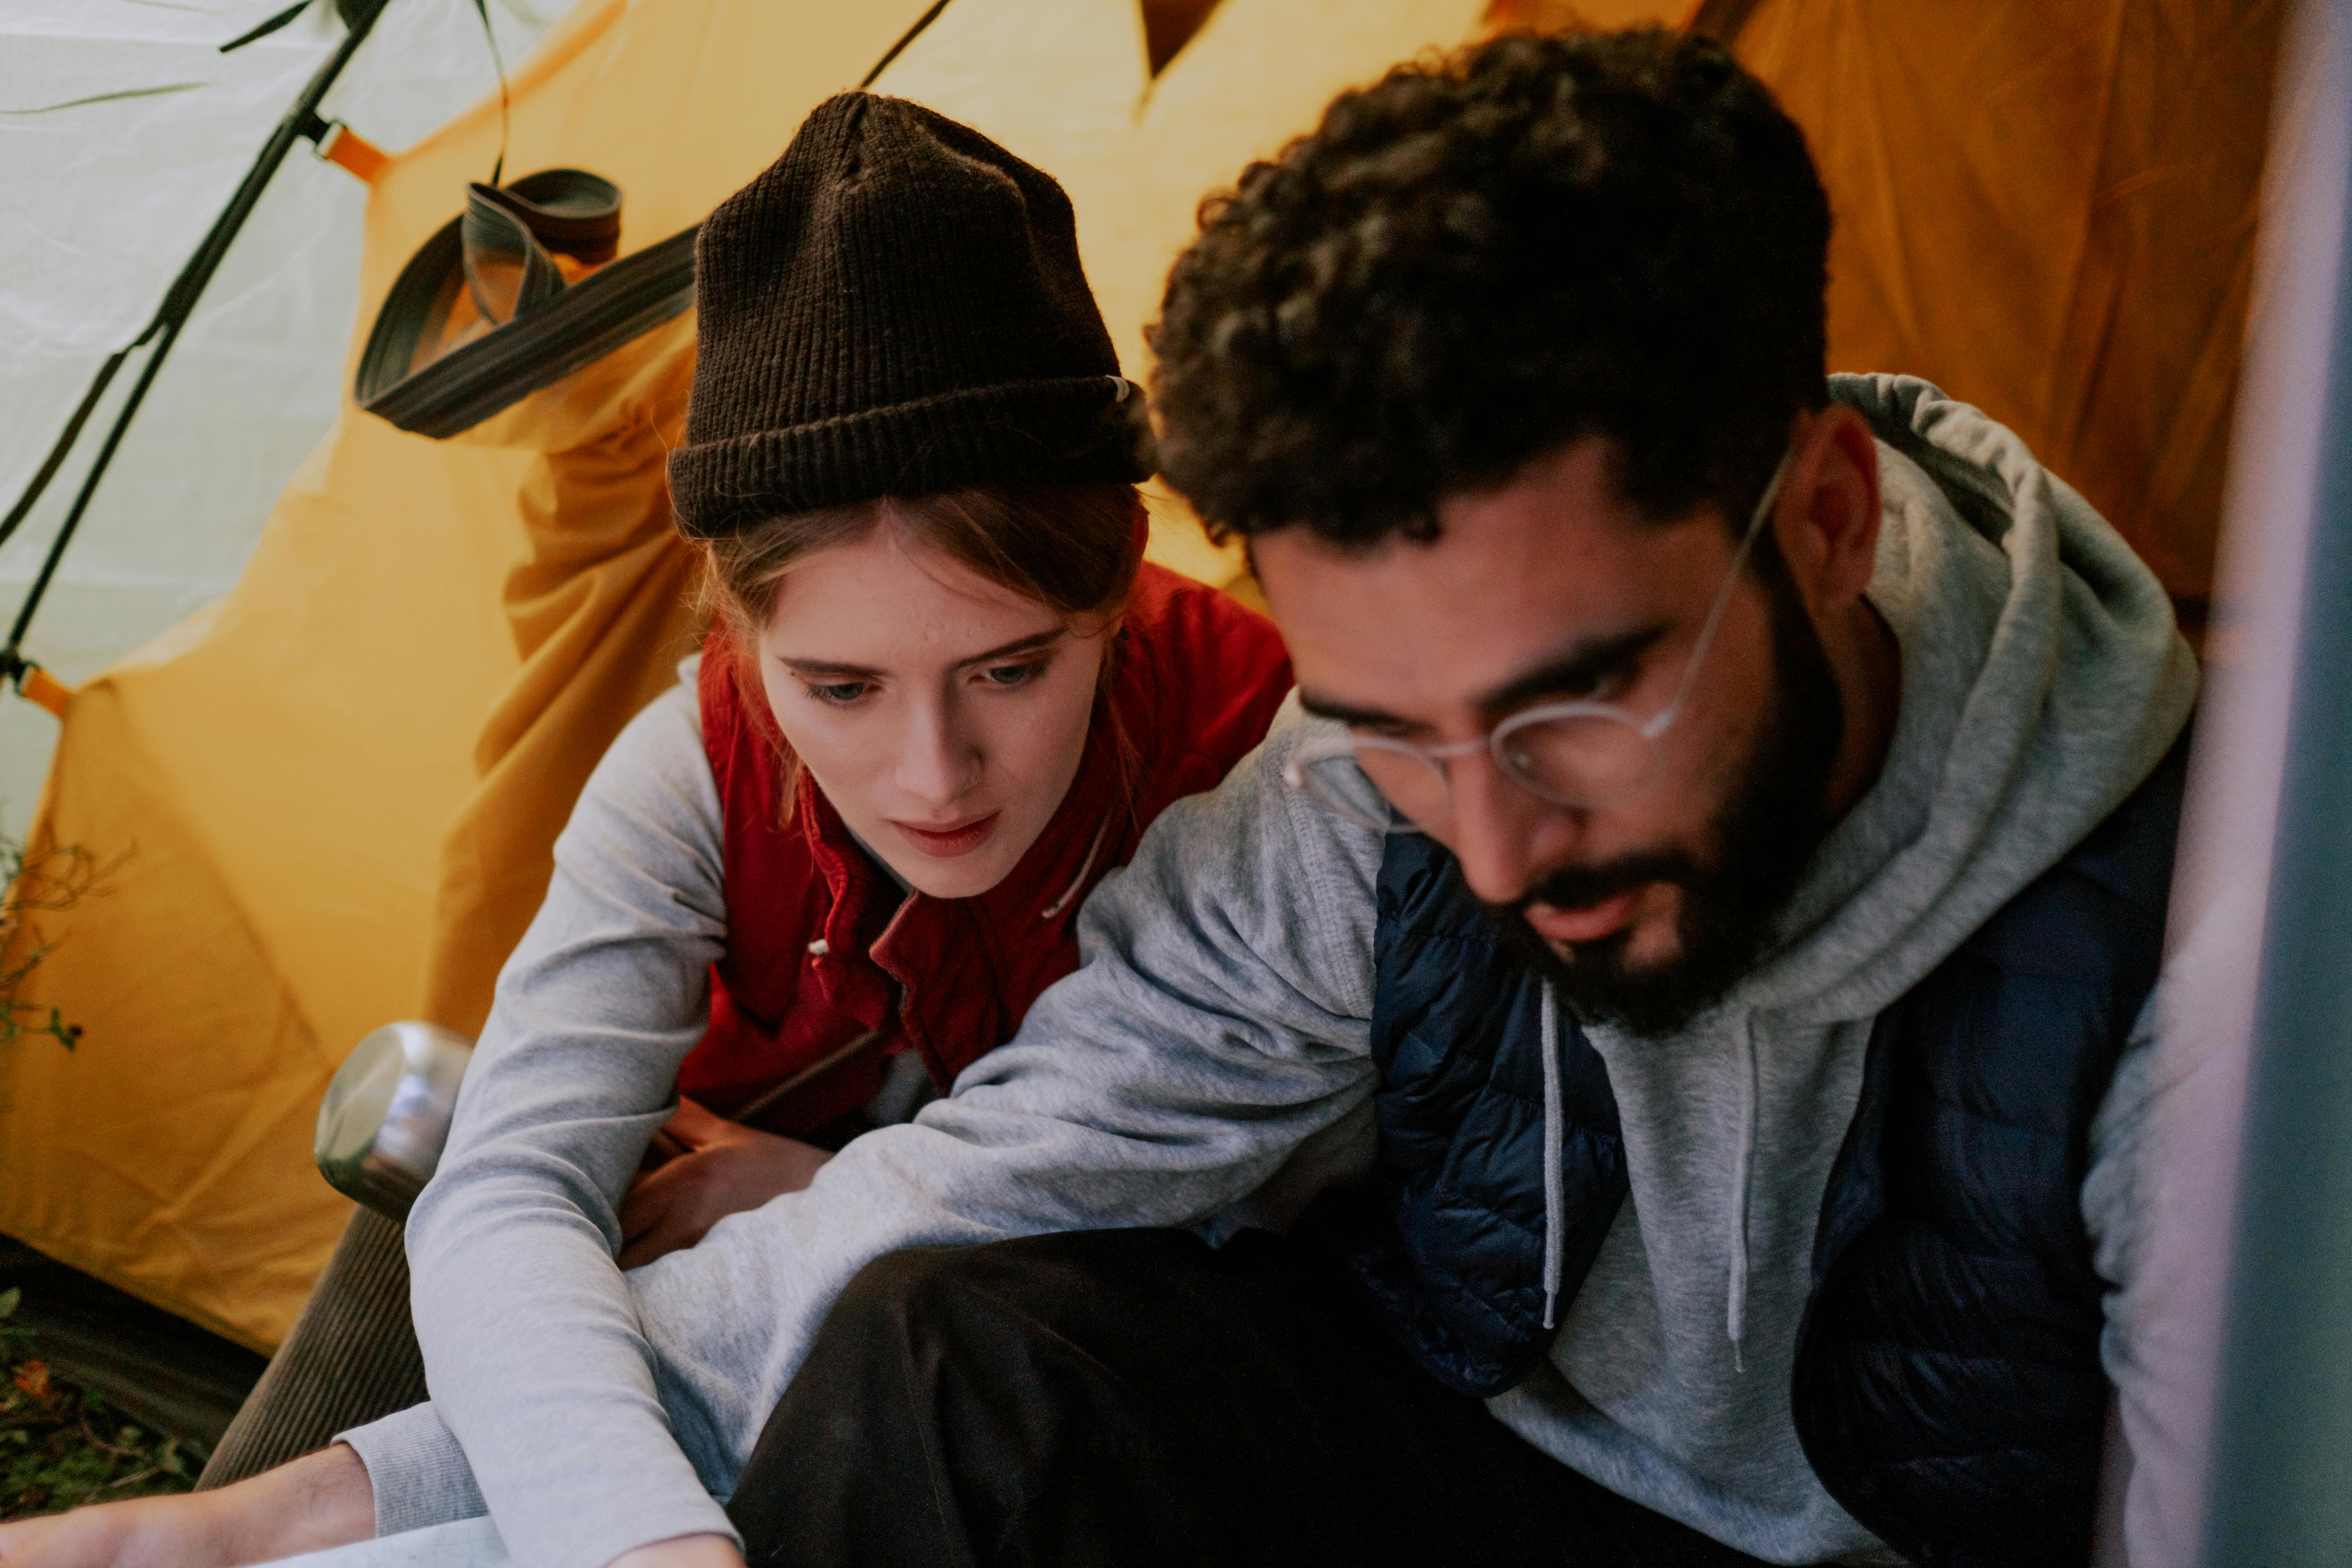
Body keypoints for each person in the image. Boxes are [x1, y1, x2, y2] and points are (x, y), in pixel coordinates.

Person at [7, 27, 2205, 1568]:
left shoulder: (2207, 976)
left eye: (1578, 702)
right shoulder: (1332, 804)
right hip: (1448, 1444)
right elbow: (975, 1192)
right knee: (927, 1345)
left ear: (1820, 518)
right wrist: (309, 1511)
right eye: (1392, 733)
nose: (1496, 846)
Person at [0, 92, 1290, 1568]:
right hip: (718, 1267)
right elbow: (509, 1186)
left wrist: (806, 1191)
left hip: (1034, 1336)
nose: (935, 772)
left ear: (1124, 575)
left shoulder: (1250, 759)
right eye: (841, 685)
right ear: (734, 628)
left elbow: (1187, 1201)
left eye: (1012, 667)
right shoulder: (696, 755)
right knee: (463, 1146)